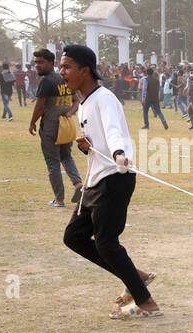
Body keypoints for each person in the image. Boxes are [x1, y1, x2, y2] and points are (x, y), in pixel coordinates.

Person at [58, 44, 161, 319]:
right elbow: (98, 139)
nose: (62, 72)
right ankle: (137, 276)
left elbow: (115, 131)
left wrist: (119, 153)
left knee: (106, 242)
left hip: (115, 177)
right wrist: (87, 146)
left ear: (85, 70)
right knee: (74, 237)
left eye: (67, 67)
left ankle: (146, 302)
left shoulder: (105, 98)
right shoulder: (84, 103)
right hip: (95, 180)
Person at [29, 48, 83, 208]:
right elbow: (77, 101)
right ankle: (78, 184)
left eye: (41, 62)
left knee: (53, 163)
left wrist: (32, 122)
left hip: (51, 128)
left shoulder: (47, 81)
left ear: (51, 63)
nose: (37, 65)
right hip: (66, 128)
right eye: (36, 62)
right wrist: (69, 114)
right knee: (66, 157)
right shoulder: (64, 79)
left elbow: (39, 106)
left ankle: (59, 199)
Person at [141, 66, 168, 130]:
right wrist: (158, 96)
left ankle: (146, 125)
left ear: (147, 73)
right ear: (152, 73)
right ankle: (163, 121)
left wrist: (143, 97)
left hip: (148, 98)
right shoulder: (156, 80)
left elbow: (144, 89)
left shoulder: (146, 79)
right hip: (155, 98)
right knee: (159, 111)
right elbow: (158, 89)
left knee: (145, 111)